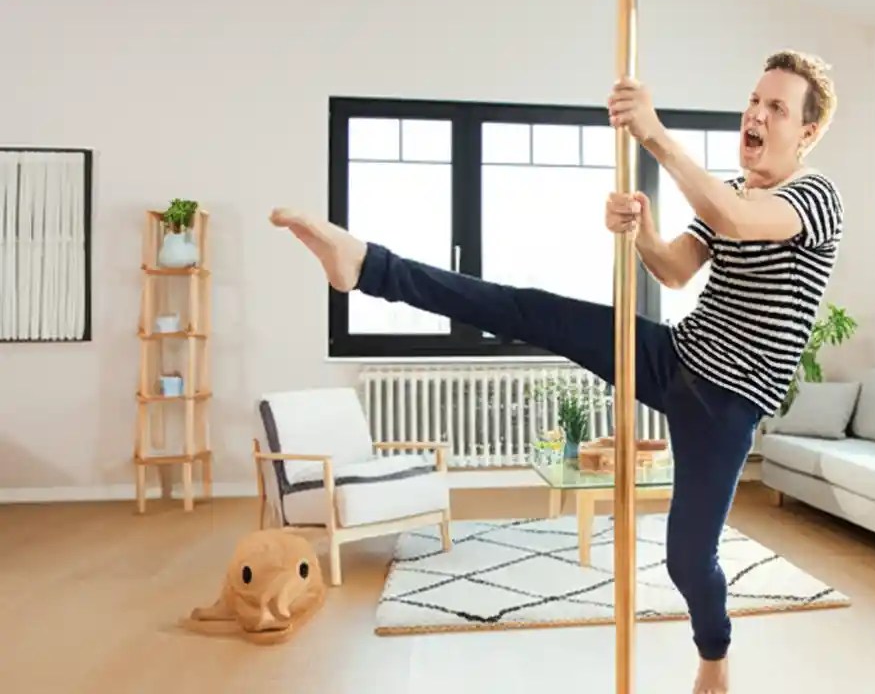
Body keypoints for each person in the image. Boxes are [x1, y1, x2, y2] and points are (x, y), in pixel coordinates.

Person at [270, 49, 842, 694]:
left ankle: (714, 655)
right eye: (754, 101)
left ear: (807, 132)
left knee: (687, 560)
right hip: (676, 355)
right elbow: (676, 269)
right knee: (529, 309)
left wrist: (651, 131)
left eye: (776, 108)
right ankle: (367, 265)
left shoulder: (816, 196)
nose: (755, 116)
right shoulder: (731, 190)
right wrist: (643, 232)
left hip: (728, 402)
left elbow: (739, 223)